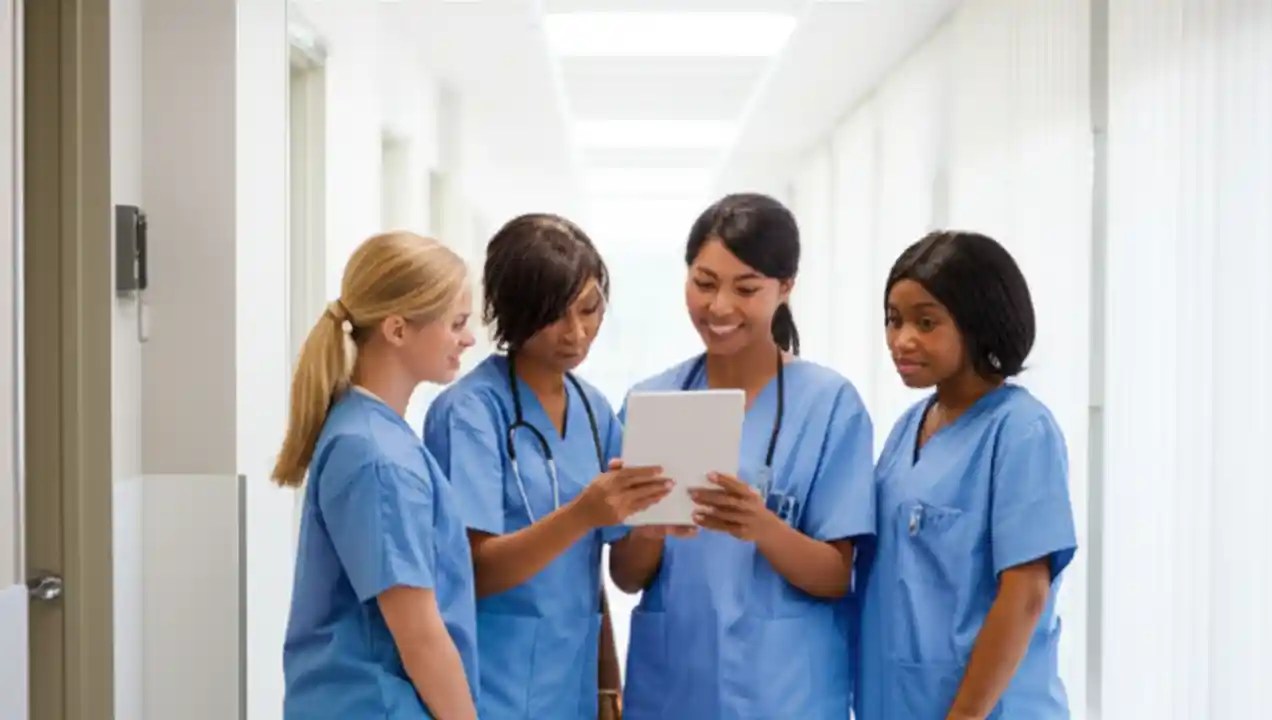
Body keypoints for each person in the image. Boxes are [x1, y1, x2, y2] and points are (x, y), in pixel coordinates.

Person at [609, 193, 877, 719]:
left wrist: (762, 527)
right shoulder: (652, 401)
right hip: (674, 689)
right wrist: (648, 530)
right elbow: (625, 576)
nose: (719, 307)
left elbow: (836, 575)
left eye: (746, 288)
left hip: (786, 694)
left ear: (786, 287)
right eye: (704, 283)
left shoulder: (829, 405)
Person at [422, 213, 675, 720]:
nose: (577, 333)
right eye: (555, 315)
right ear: (514, 313)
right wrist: (582, 514)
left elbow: (612, 576)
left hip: (571, 693)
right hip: (489, 689)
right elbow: (471, 570)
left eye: (590, 309)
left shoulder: (594, 411)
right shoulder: (470, 413)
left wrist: (653, 527)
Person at [855, 231, 1077, 720]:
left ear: (977, 323)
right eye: (893, 320)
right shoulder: (908, 428)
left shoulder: (1021, 431)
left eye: (926, 322)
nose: (901, 340)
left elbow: (1025, 594)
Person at [275, 232, 480, 720]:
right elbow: (420, 637)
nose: (469, 339)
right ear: (397, 330)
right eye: (456, 323)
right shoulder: (376, 456)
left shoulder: (369, 433)